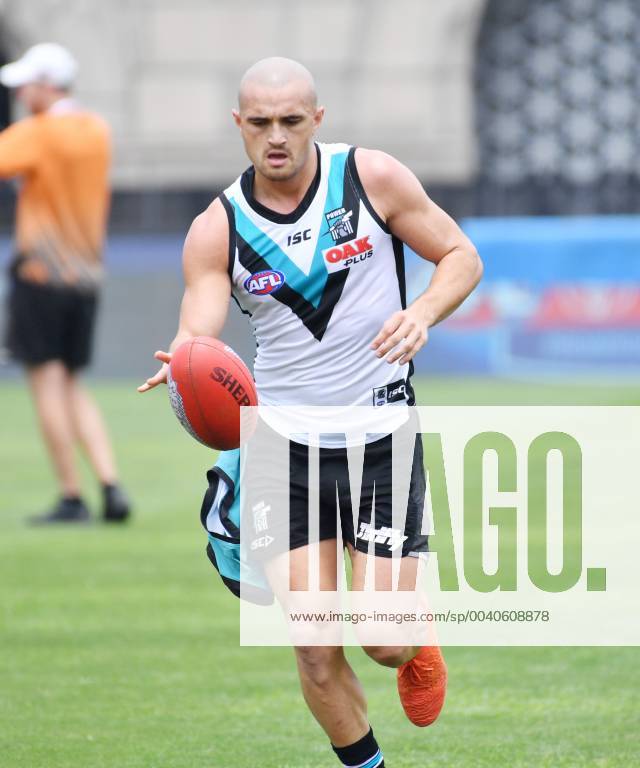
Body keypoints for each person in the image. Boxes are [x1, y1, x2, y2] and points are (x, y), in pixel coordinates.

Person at [140, 58, 482, 767]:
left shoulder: (371, 178)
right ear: (239, 125)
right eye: (260, 122)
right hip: (282, 452)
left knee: (384, 642)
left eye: (291, 121)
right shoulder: (218, 226)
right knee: (314, 647)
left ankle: (417, 639)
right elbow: (198, 326)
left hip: (380, 436)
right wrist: (184, 358)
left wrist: (421, 313)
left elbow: (459, 255)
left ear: (316, 120)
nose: (276, 137)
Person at [0, 43, 130, 524]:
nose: (20, 94)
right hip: (86, 278)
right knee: (73, 384)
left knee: (46, 385)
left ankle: (71, 495)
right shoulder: (97, 131)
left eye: (26, 85)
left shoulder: (37, 133)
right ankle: (110, 484)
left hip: (40, 274)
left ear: (45, 85)